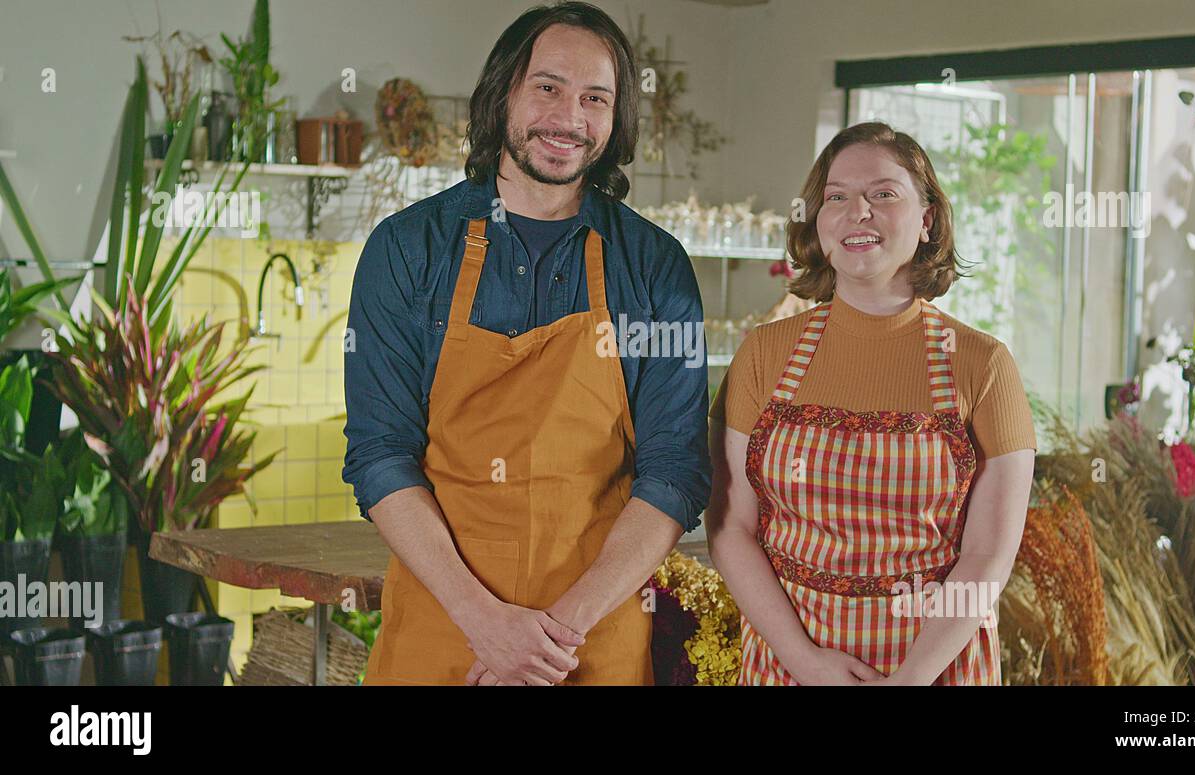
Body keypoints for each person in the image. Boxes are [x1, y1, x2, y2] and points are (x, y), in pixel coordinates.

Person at [343, 2, 710, 686]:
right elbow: (379, 455)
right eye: (548, 86)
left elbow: (675, 474)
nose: (569, 116)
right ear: (502, 92)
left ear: (614, 117)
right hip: (444, 627)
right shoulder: (407, 249)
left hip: (591, 640)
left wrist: (550, 639)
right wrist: (485, 621)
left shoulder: (656, 266)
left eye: (594, 97)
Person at [706, 121, 1037, 685]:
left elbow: (986, 557)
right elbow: (730, 527)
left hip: (936, 668)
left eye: (883, 194)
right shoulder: (765, 354)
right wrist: (805, 661)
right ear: (817, 219)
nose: (857, 212)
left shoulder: (983, 365)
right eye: (837, 197)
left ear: (927, 218)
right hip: (788, 662)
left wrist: (909, 680)